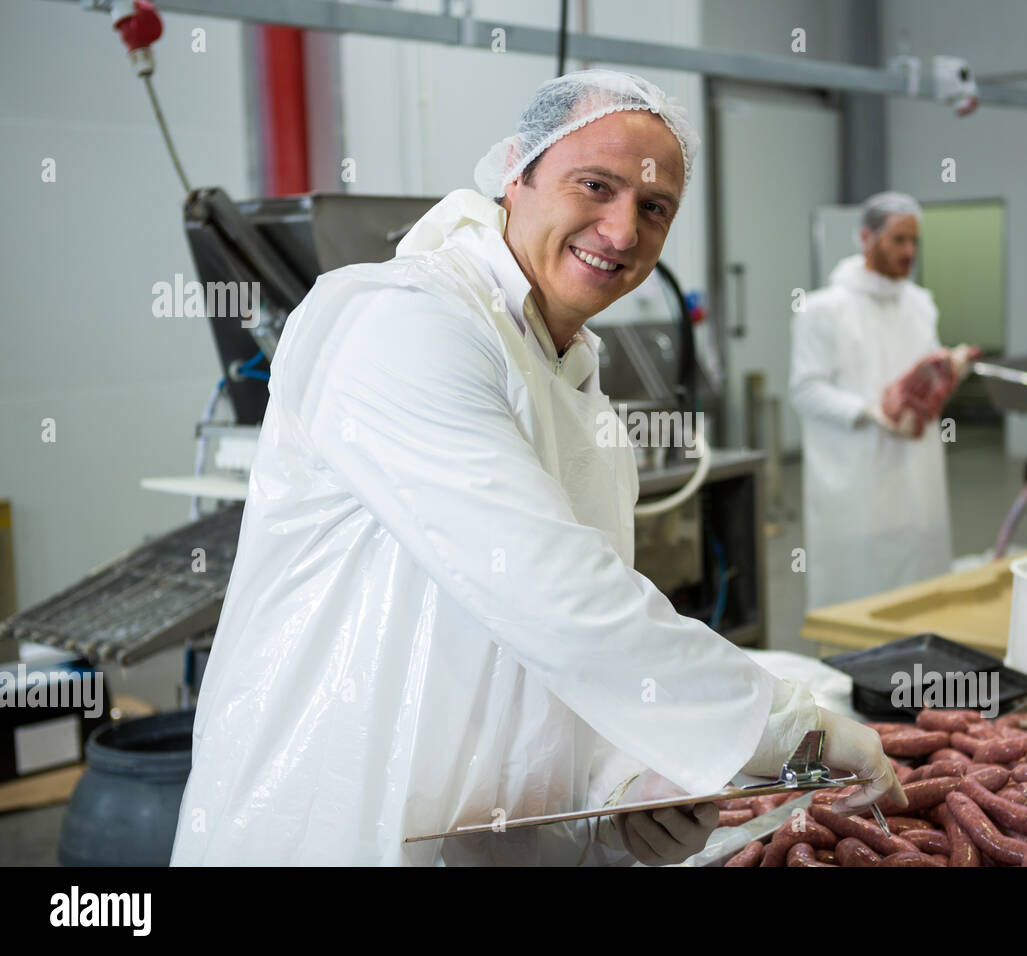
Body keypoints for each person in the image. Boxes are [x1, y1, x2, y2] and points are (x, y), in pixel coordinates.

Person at [171, 71, 902, 867]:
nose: (622, 231)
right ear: (515, 174)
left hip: (495, 841)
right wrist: (797, 726)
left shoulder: (583, 398)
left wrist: (625, 790)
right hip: (334, 829)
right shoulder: (403, 322)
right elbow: (557, 594)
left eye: (654, 209)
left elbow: (555, 656)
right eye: (596, 185)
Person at [790, 191, 971, 609]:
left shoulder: (921, 305)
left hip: (916, 468)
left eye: (915, 242)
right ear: (866, 237)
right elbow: (805, 390)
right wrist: (869, 412)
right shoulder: (823, 310)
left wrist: (949, 374)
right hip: (857, 475)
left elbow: (927, 376)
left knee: (921, 581)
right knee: (862, 587)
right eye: (898, 240)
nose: (909, 252)